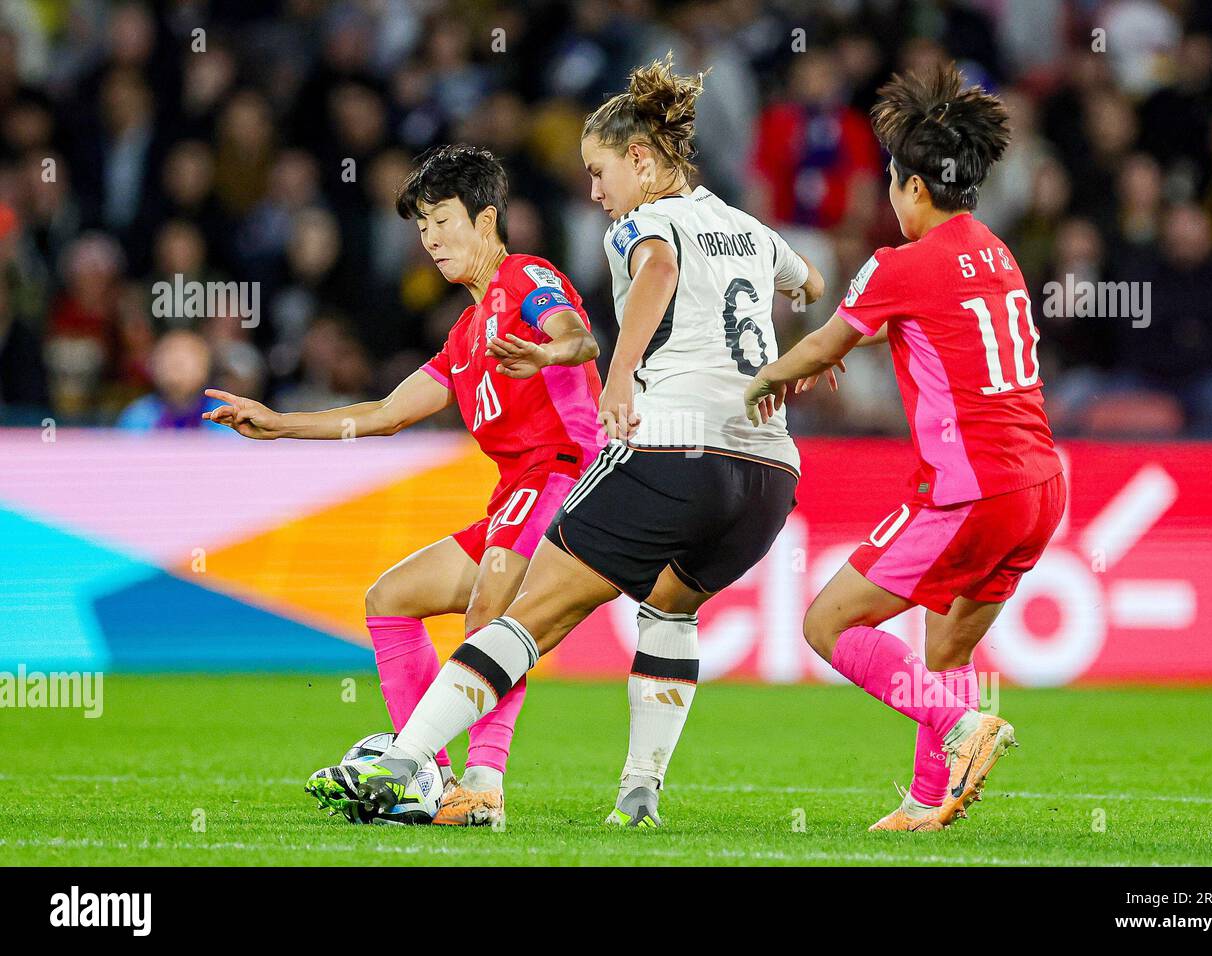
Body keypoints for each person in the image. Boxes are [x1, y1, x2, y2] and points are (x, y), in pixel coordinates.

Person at [311, 57, 825, 829]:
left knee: (522, 620)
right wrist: (805, 360)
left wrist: (618, 377)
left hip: (673, 451)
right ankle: (639, 792)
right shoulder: (746, 226)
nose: (595, 192)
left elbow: (653, 270)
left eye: (599, 171)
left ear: (642, 162)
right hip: (767, 473)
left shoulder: (641, 224)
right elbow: (811, 285)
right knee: (670, 612)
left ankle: (406, 765)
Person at [206, 145, 604, 826]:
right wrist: (280, 424)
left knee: (488, 620)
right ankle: (432, 776)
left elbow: (577, 337)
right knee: (389, 599)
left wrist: (548, 351)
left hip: (566, 479)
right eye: (422, 226)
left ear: (486, 219)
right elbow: (386, 414)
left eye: (443, 219)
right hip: (516, 495)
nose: (431, 238)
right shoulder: (465, 333)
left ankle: (483, 788)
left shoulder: (524, 276)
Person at [744, 63, 1065, 832]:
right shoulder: (997, 252)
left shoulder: (900, 265)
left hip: (971, 489)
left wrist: (753, 388)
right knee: (945, 650)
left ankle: (961, 730)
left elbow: (820, 346)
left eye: (892, 181)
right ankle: (929, 799)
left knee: (828, 624)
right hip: (1042, 487)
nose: (889, 196)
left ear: (914, 188)